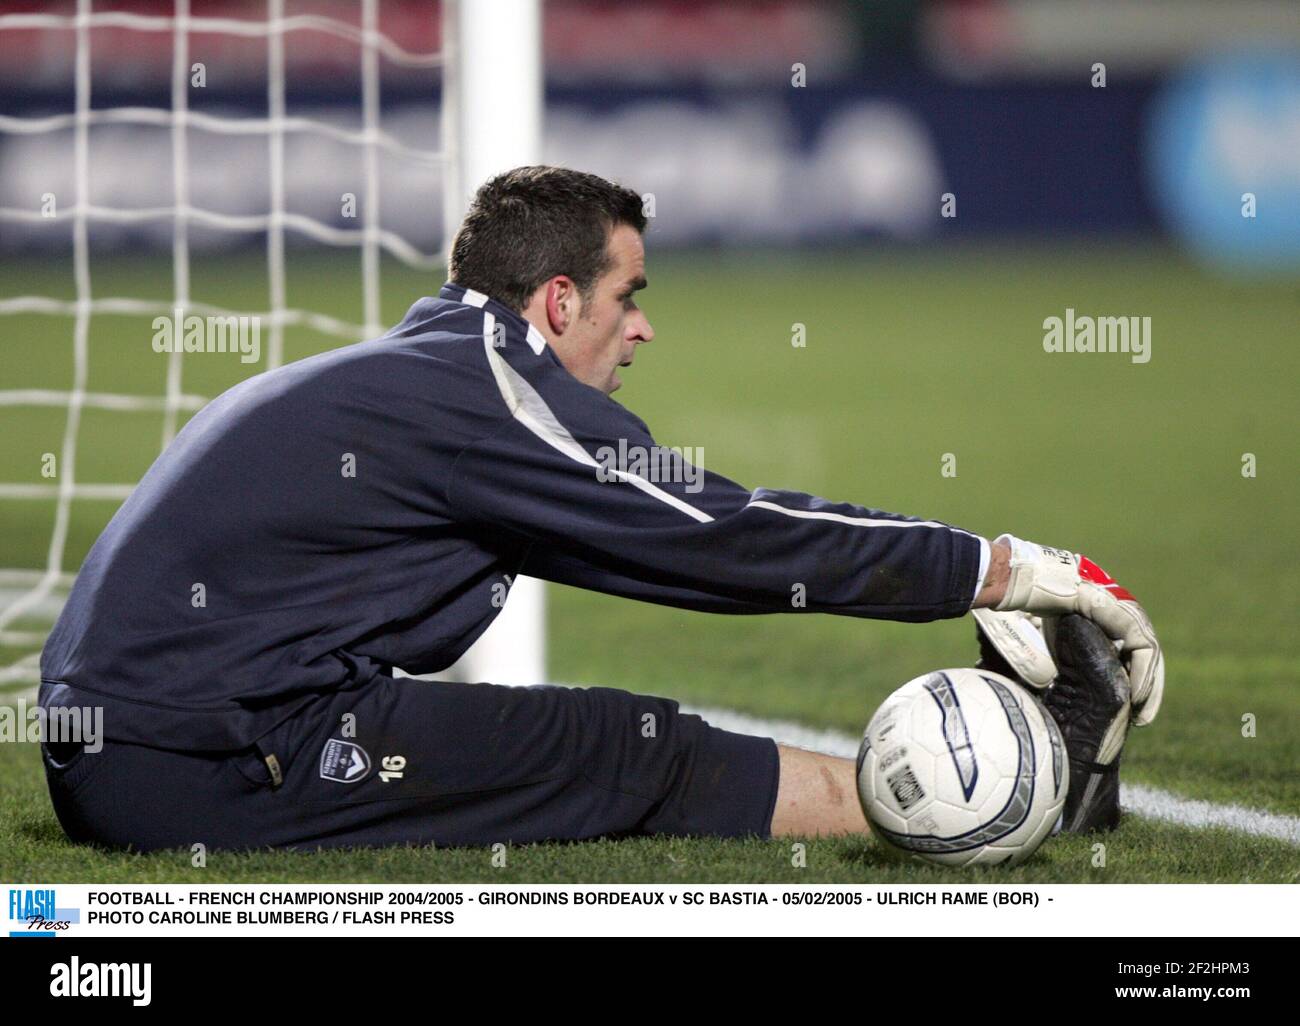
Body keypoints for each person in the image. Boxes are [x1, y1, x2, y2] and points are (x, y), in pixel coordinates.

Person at [38, 166, 1162, 852]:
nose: (642, 329)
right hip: (200, 758)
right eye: (630, 297)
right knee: (628, 750)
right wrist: (1006, 567)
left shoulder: (427, 372)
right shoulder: (493, 395)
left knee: (593, 740)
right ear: (558, 298)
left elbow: (671, 548)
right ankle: (991, 798)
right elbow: (723, 538)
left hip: (145, 735)